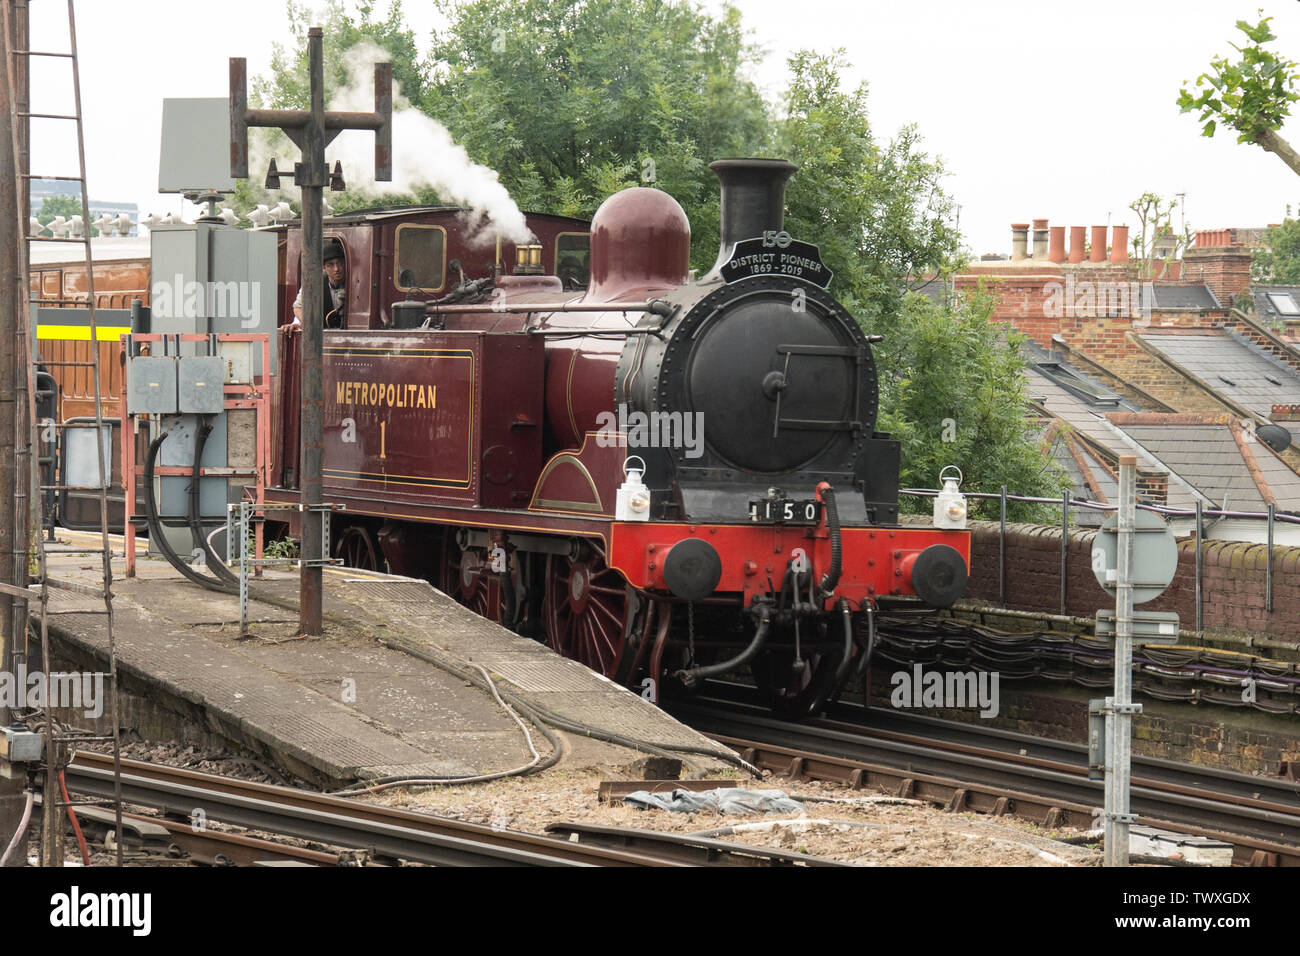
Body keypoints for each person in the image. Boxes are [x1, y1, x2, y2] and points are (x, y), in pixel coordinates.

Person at [291, 242, 346, 329]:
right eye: (330, 265)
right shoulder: (313, 283)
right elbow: (298, 307)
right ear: (324, 268)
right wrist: (309, 326)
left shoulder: (354, 283)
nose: (336, 269)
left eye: (340, 263)